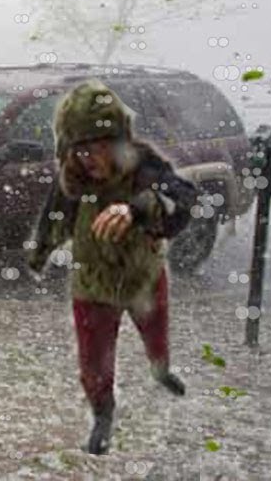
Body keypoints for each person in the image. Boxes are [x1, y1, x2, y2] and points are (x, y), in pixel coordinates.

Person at [27, 79, 198, 455]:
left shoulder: (143, 165)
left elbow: (183, 199)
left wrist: (139, 209)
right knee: (94, 363)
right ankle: (102, 414)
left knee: (155, 333)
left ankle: (160, 369)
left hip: (143, 277)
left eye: (101, 146)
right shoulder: (72, 178)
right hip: (93, 283)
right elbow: (55, 216)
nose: (91, 158)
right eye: (81, 149)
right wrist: (39, 254)